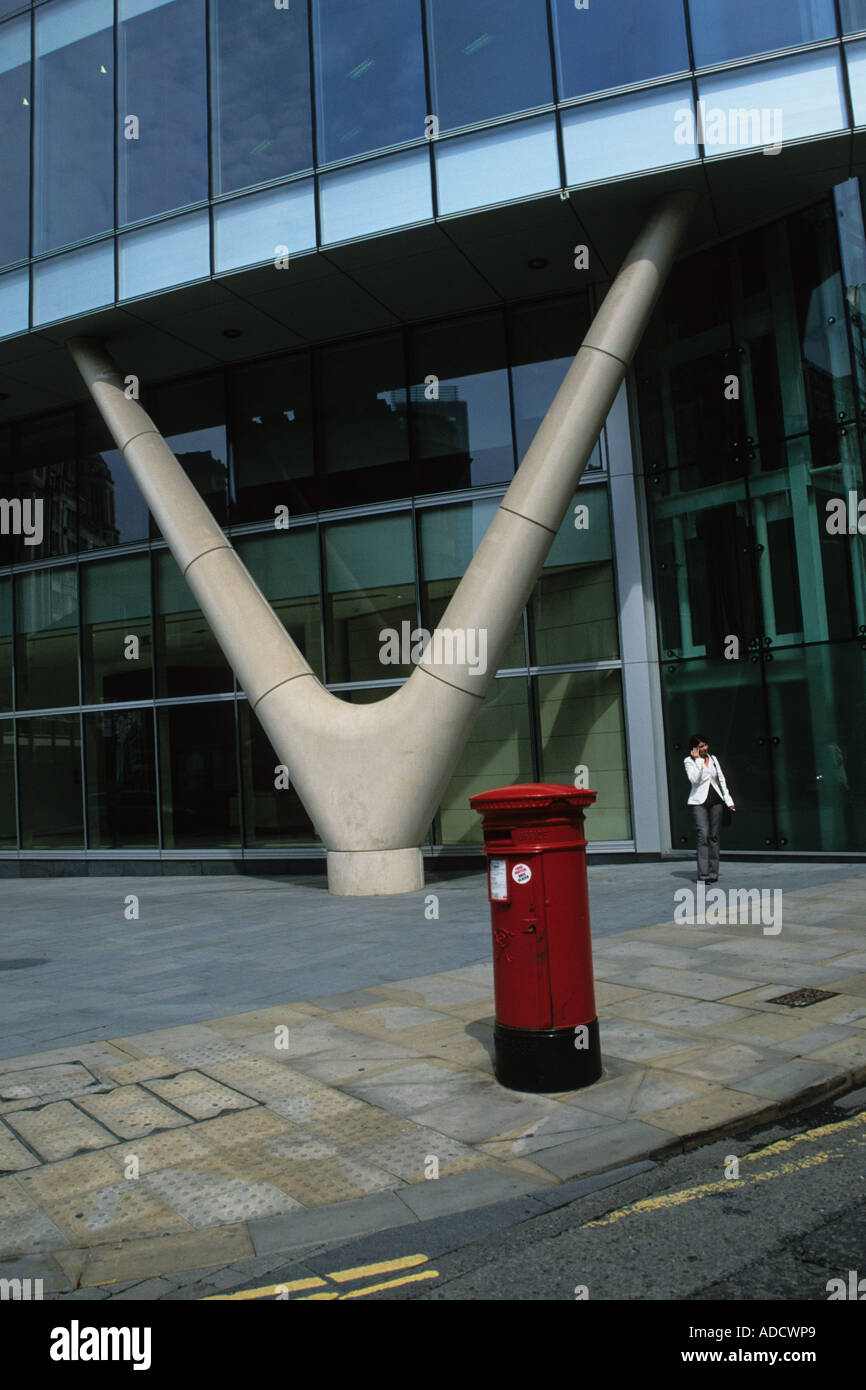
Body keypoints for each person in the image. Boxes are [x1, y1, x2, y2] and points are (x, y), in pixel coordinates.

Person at [684, 735, 735, 884]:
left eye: (705, 745)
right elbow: (695, 780)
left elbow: (721, 779)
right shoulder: (689, 761)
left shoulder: (713, 758)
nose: (704, 749)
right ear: (694, 749)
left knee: (714, 836)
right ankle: (703, 875)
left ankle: (713, 873)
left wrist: (728, 799)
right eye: (700, 747)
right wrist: (699, 761)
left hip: (716, 801)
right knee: (703, 835)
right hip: (699, 802)